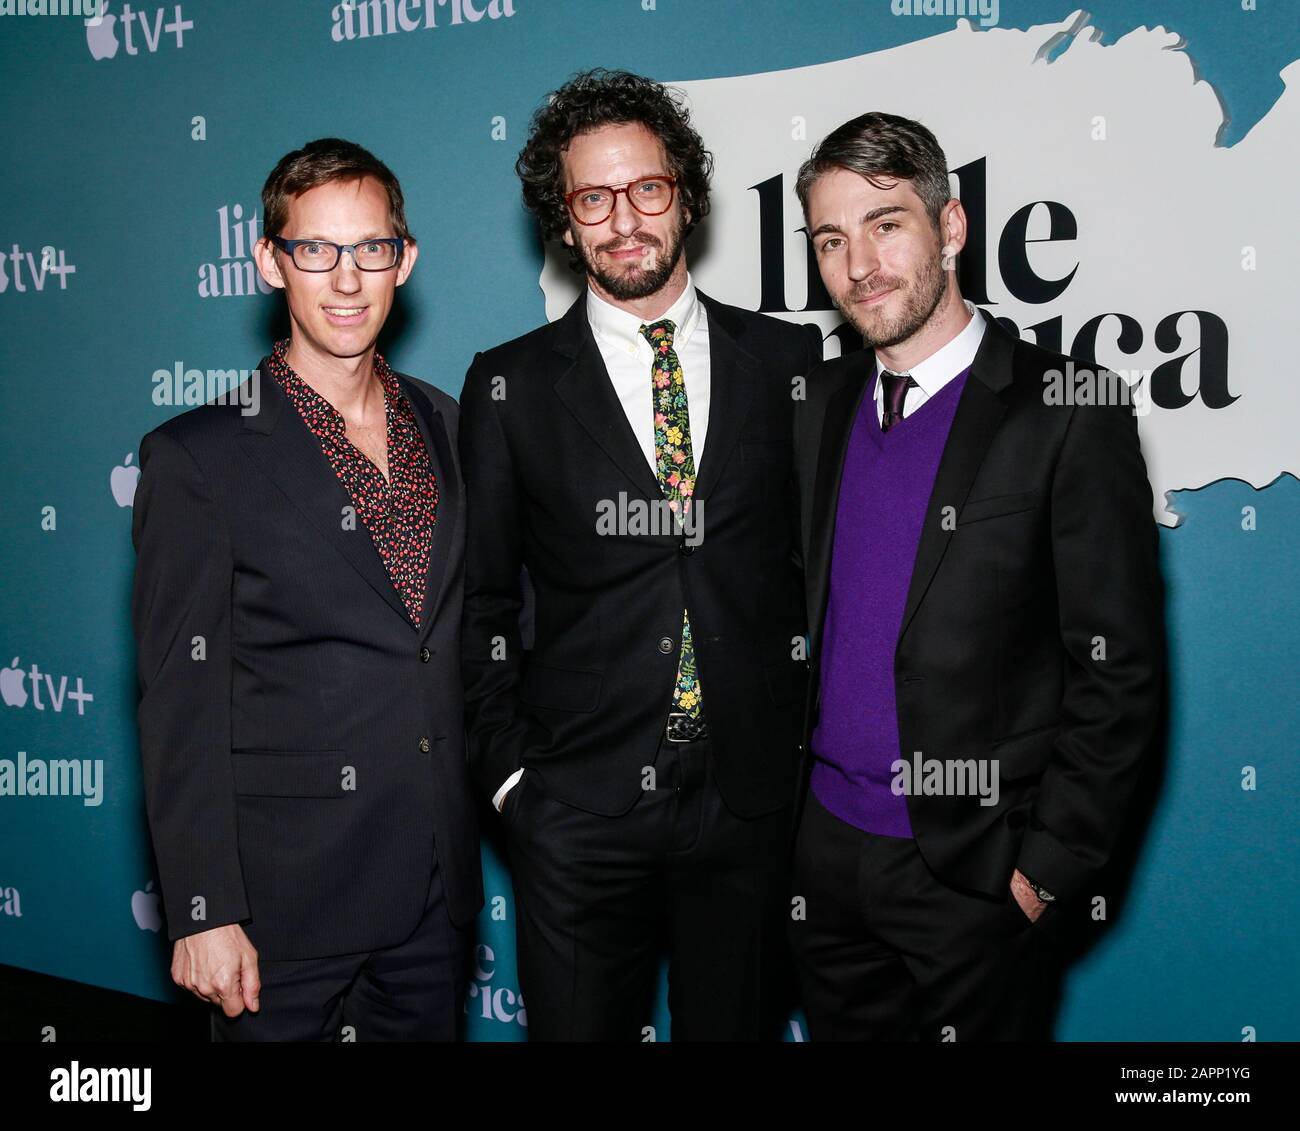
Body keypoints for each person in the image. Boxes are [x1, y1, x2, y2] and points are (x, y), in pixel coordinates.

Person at [460, 69, 823, 1041]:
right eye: (592, 197)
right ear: (564, 220)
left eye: (646, 189)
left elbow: (820, 579)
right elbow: (481, 603)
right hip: (577, 808)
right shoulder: (510, 388)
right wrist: (511, 784)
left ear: (686, 196)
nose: (624, 219)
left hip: (750, 808)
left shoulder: (787, 364)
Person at [788, 112, 1164, 1041]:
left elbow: (1118, 670)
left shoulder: (1069, 408)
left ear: (951, 228)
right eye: (832, 240)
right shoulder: (817, 404)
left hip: (974, 873)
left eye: (887, 225)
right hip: (823, 859)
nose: (859, 265)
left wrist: (1044, 869)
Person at [131, 137, 482, 1041]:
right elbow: (180, 702)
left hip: (434, 890)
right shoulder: (198, 458)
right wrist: (204, 907)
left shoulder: (446, 422)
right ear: (268, 262)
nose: (345, 278)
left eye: (370, 249)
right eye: (314, 250)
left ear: (404, 261)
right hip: (282, 906)